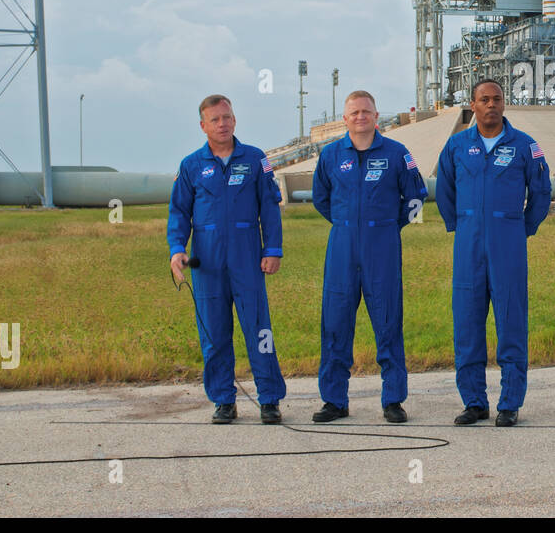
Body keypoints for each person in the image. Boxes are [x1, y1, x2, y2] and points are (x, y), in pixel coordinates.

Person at [436, 79, 552, 427]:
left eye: (497, 99)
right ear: (473, 104)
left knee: (511, 322)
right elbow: (444, 191)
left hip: (508, 245)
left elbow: (542, 193)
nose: (491, 105)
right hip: (469, 246)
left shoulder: (524, 146)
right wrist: (462, 224)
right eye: (484, 99)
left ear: (504, 103)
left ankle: (509, 403)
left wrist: (521, 227)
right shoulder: (457, 146)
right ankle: (474, 402)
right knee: (468, 324)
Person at [311, 91, 427, 424]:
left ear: (377, 116)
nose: (360, 117)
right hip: (342, 247)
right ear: (344, 119)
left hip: (383, 248)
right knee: (335, 323)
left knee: (388, 321)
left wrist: (391, 226)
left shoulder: (396, 153)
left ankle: (393, 399)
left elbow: (416, 197)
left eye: (366, 112)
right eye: (354, 112)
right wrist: (347, 223)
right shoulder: (331, 155)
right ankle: (334, 400)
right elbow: (321, 198)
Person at [168, 95, 286, 424]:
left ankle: (269, 399)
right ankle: (223, 400)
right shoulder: (191, 165)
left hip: (247, 256)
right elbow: (179, 212)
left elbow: (269, 208)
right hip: (207, 261)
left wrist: (272, 249)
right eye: (216, 119)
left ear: (235, 120)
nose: (223, 124)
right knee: (214, 333)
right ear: (203, 125)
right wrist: (177, 248)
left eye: (228, 117)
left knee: (258, 329)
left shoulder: (255, 159)